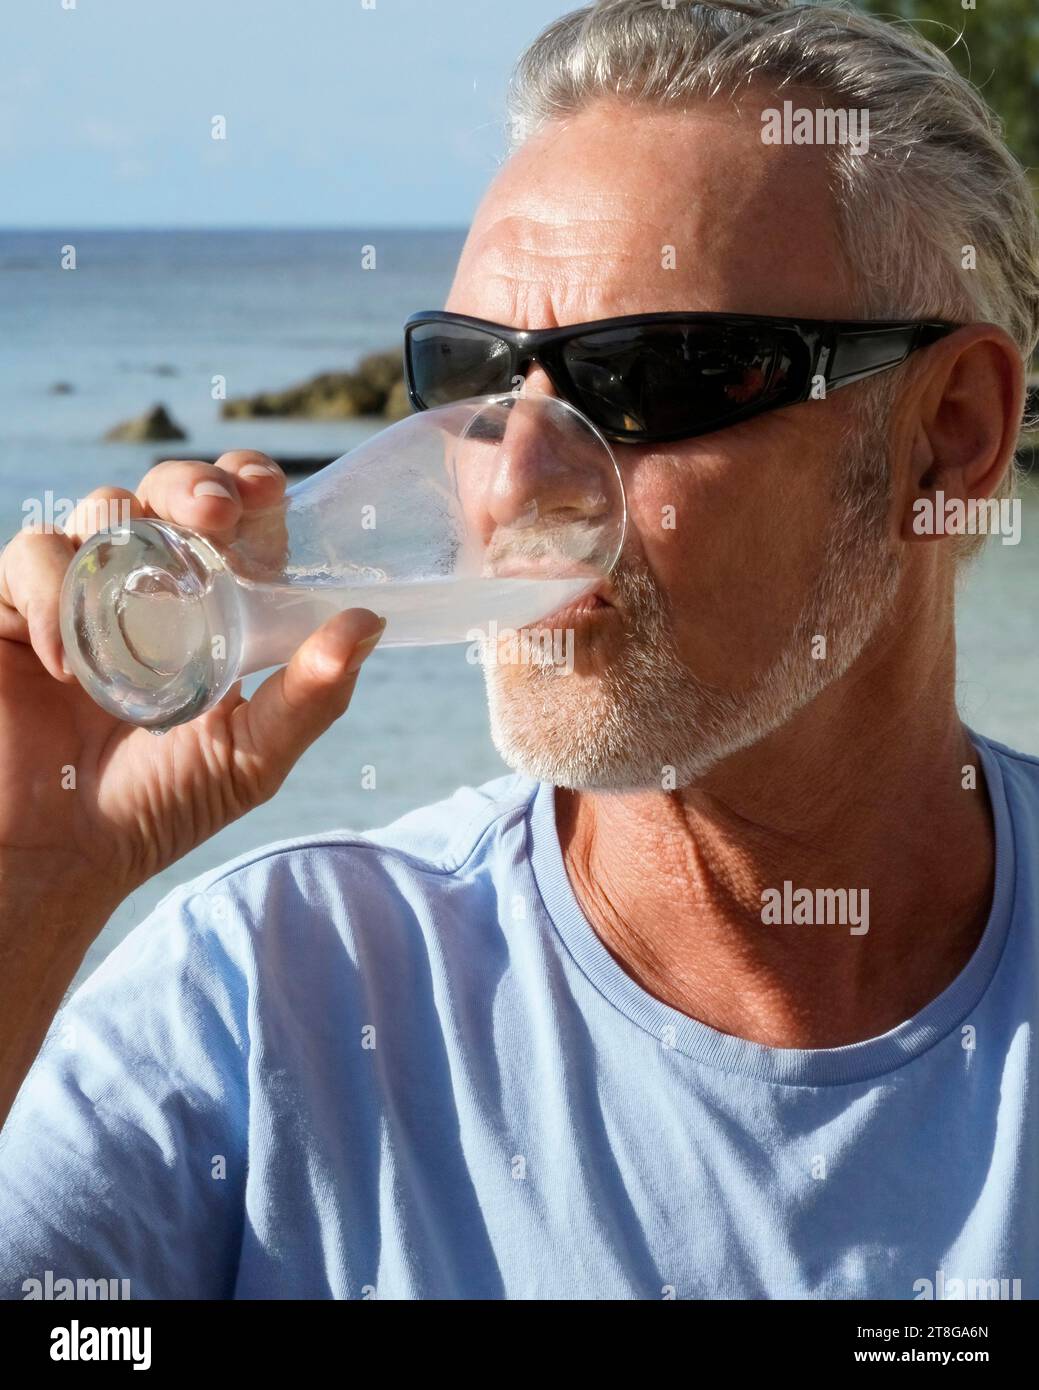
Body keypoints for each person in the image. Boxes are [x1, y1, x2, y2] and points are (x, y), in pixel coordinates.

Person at [1, 0, 1037, 1300]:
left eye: (650, 378)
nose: (513, 484)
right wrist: (26, 888)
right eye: (479, 381)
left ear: (950, 434)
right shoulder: (265, 1002)